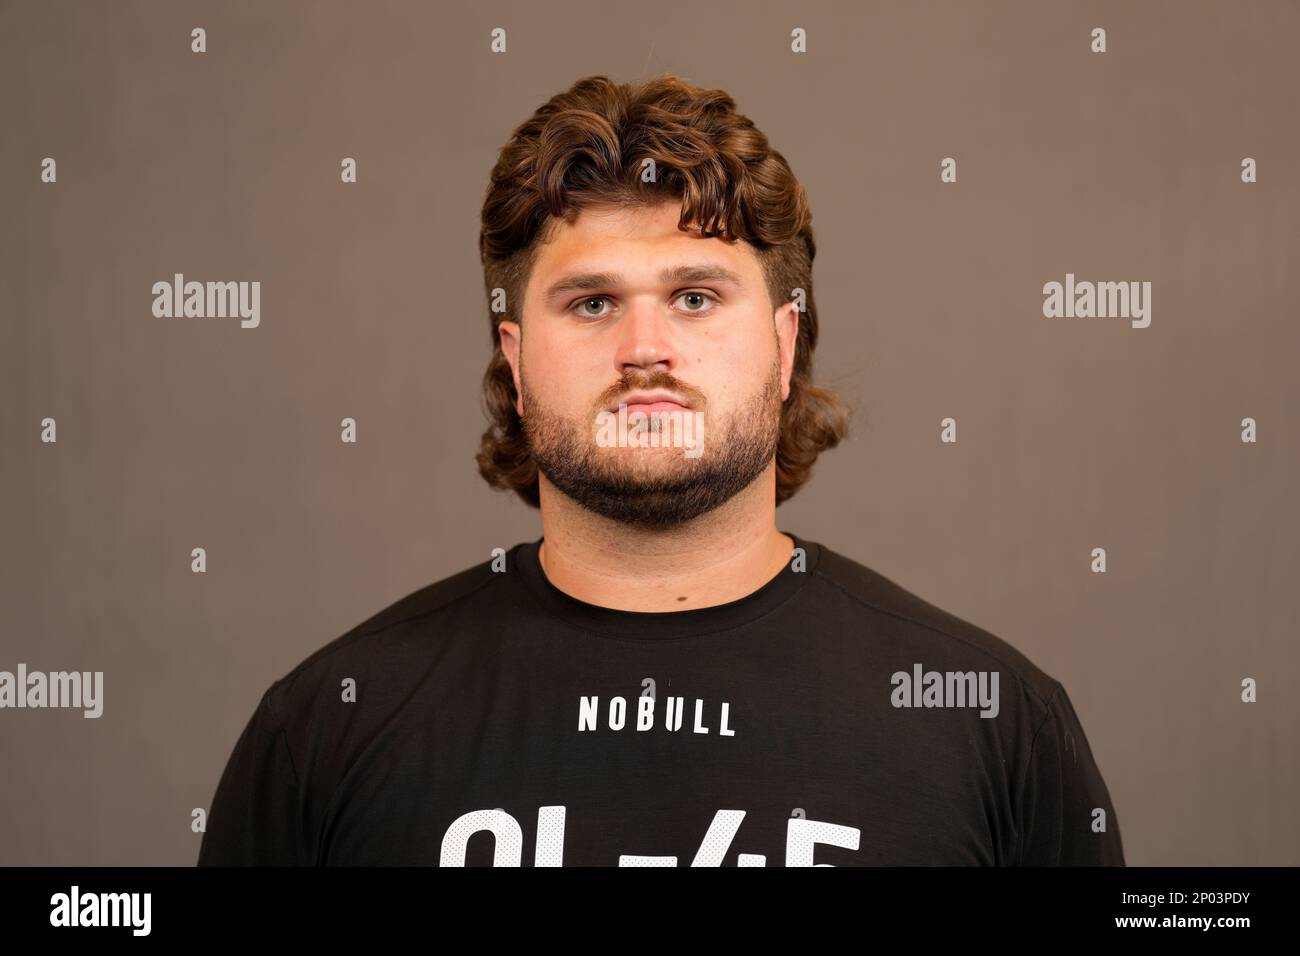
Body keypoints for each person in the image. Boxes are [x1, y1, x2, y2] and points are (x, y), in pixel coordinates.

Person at [197, 74, 1124, 867]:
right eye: (593, 302)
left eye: (694, 297)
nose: (646, 349)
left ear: (783, 340)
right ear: (516, 360)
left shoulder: (994, 727)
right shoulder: (330, 731)